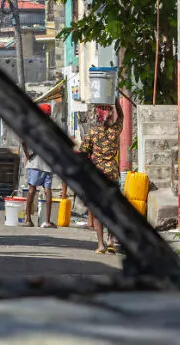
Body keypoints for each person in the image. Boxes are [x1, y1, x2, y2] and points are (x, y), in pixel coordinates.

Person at [80, 98, 124, 254]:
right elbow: (122, 117)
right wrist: (116, 102)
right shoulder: (114, 131)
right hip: (112, 174)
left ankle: (100, 245)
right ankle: (111, 240)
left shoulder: (92, 132)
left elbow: (83, 151)